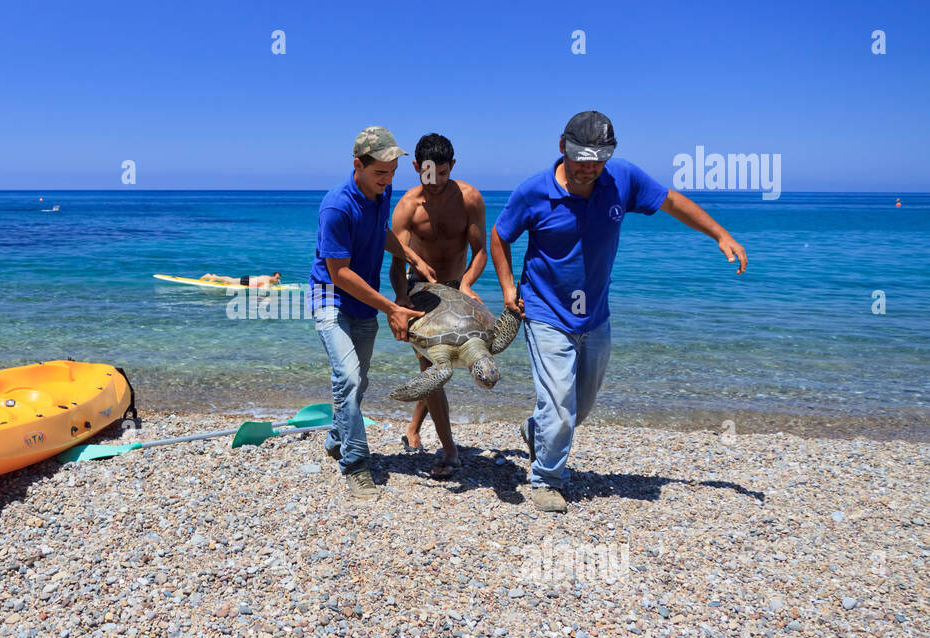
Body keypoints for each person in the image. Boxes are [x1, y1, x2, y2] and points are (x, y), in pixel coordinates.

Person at [492, 111, 747, 512]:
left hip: (595, 315)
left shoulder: (621, 179)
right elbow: (500, 235)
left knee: (579, 406)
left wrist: (719, 233)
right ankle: (545, 480)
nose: (589, 169)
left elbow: (672, 202)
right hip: (545, 311)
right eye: (581, 160)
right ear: (562, 147)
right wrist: (508, 287)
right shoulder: (533, 192)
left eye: (598, 161)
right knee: (560, 406)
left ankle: (535, 433)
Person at [310, 126, 437, 500]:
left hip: (364, 301)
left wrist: (412, 257)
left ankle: (337, 437)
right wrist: (393, 308)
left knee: (358, 382)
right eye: (380, 173)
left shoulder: (382, 192)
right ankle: (355, 463)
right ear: (357, 166)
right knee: (347, 378)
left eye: (393, 172)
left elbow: (380, 231)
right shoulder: (337, 206)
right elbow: (340, 273)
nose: (388, 180)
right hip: (331, 298)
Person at [389, 133, 488, 479]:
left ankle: (413, 428)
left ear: (452, 167)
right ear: (416, 167)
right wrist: (401, 302)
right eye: (427, 175)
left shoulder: (470, 199)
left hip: (457, 290)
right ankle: (450, 451)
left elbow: (481, 253)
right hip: (422, 296)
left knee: (433, 371)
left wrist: (467, 283)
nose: (434, 184)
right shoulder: (406, 207)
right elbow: (397, 264)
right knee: (433, 368)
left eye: (442, 175)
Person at [200, 272, 282, 287]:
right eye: (277, 278)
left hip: (250, 280)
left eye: (279, 279)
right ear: (273, 276)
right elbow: (265, 290)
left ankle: (215, 276)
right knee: (230, 280)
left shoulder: (268, 278)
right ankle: (210, 276)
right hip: (248, 281)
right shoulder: (267, 280)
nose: (277, 280)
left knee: (230, 282)